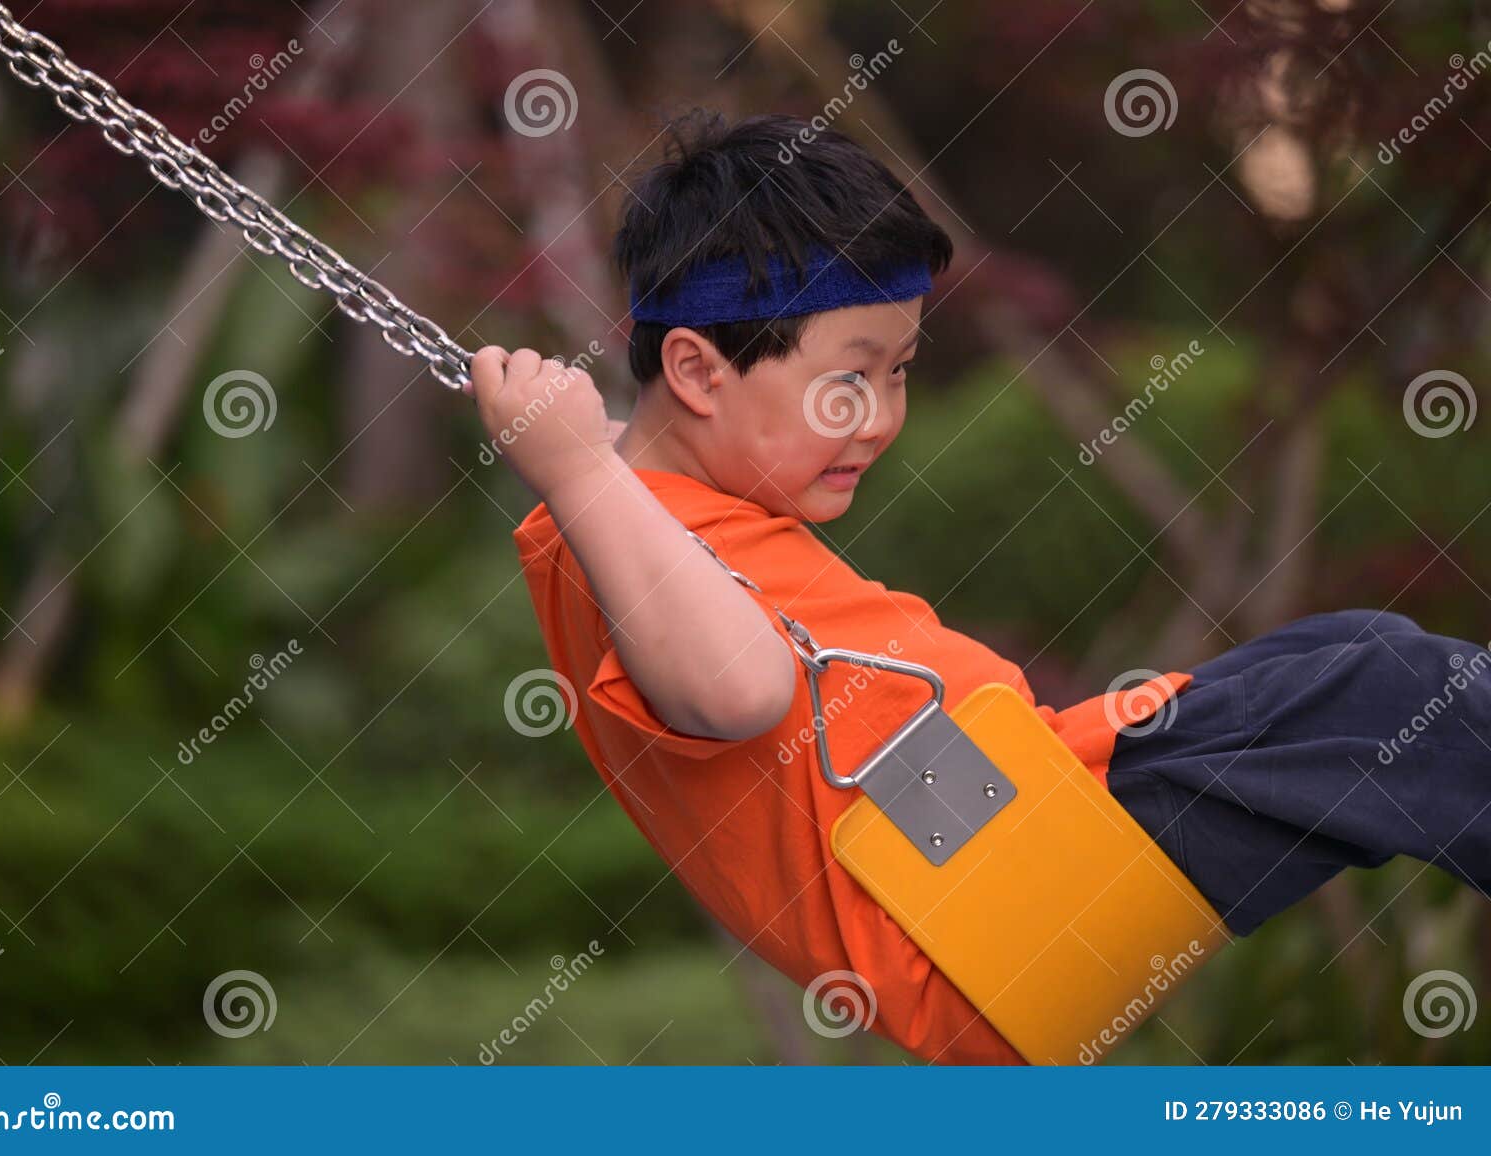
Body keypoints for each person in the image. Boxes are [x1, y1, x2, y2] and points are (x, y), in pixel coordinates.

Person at [465, 109, 1491, 1064]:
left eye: (900, 369)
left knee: (1353, 651)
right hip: (991, 925)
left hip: (1030, 832)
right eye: (848, 375)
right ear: (695, 371)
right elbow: (734, 690)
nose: (877, 415)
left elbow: (645, 485)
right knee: (1387, 692)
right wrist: (584, 471)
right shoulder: (613, 538)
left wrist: (600, 459)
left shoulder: (649, 512)